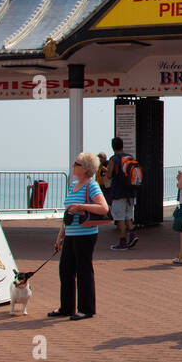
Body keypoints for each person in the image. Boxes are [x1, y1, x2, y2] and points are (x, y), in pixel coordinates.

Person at [50, 152, 110, 320]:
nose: (72, 166)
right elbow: (67, 213)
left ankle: (86, 308)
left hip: (86, 234)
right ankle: (66, 307)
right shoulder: (73, 185)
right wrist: (60, 235)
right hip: (71, 232)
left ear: (85, 168)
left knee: (84, 270)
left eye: (76, 164)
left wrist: (81, 206)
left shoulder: (92, 185)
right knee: (65, 269)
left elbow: (104, 208)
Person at [105, 137, 140, 251]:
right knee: (128, 216)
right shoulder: (129, 158)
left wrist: (107, 171)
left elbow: (109, 175)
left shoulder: (113, 159)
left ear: (113, 147)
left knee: (119, 219)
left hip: (118, 193)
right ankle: (133, 235)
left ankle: (122, 242)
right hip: (130, 192)